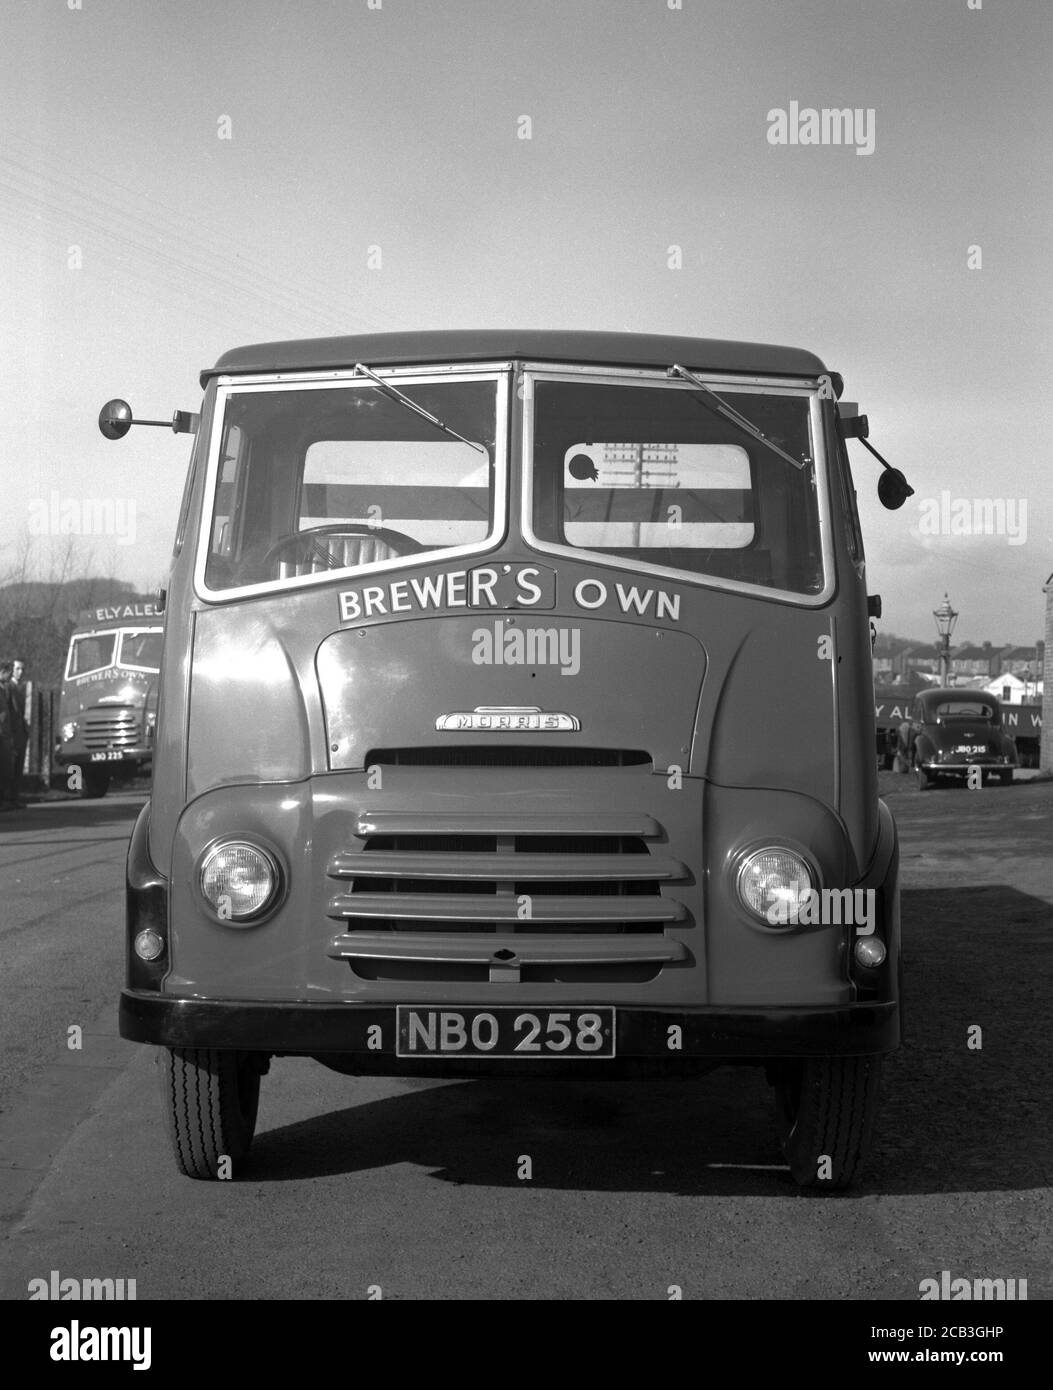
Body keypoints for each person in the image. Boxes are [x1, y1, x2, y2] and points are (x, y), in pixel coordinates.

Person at [9, 657, 29, 807]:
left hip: (21, 734)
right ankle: (10, 798)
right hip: (12, 734)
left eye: (22, 669)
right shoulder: (9, 688)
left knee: (18, 768)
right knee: (11, 768)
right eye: (17, 669)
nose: (20, 672)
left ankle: (15, 798)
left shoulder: (21, 688)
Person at [0, 663, 15, 811]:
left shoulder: (4, 689)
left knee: (6, 768)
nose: (10, 677)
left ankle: (5, 799)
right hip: (1, 734)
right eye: (8, 673)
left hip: (5, 734)